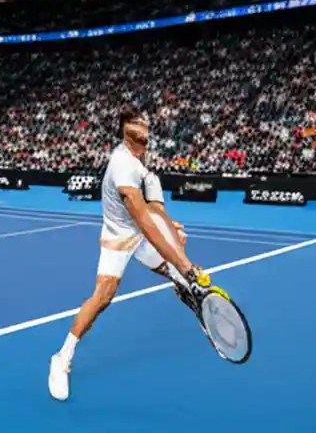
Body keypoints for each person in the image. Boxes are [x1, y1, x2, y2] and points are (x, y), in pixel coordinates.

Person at [48, 105, 215, 402]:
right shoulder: (123, 166)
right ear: (127, 135)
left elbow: (153, 210)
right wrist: (185, 264)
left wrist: (169, 226)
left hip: (138, 234)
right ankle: (62, 357)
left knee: (171, 272)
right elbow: (145, 223)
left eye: (145, 127)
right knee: (103, 297)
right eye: (137, 128)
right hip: (118, 237)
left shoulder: (141, 164)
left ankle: (198, 306)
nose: (144, 132)